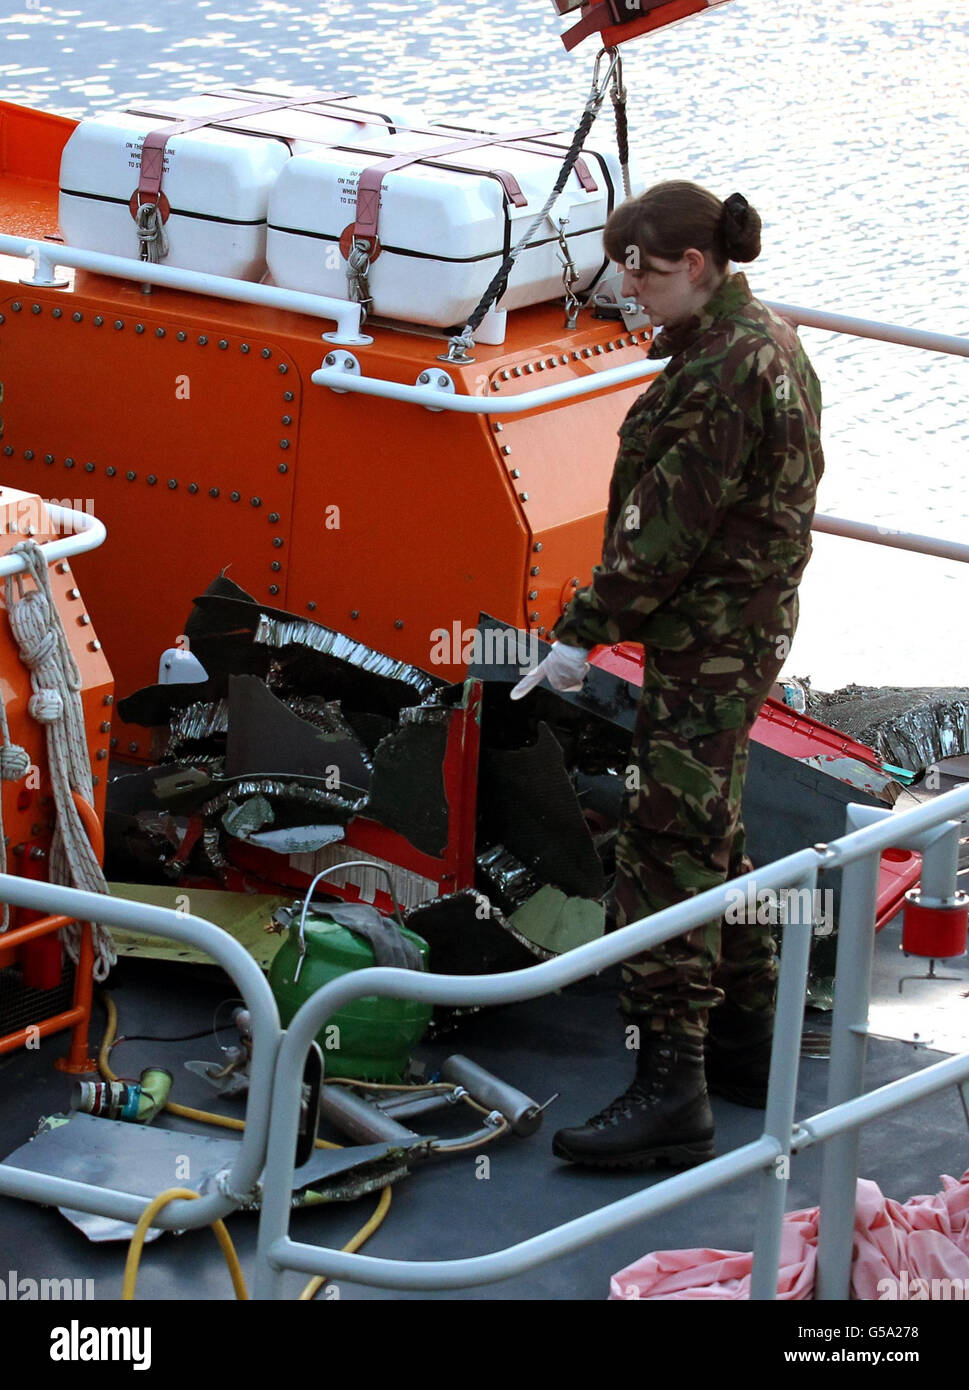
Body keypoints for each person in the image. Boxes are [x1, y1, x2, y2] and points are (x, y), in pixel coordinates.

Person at [510, 181, 825, 1169]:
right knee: (707, 824)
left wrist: (579, 633)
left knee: (664, 847)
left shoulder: (728, 371)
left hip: (709, 639)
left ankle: (669, 1086)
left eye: (641, 270)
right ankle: (746, 1036)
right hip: (737, 629)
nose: (630, 289)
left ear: (695, 265)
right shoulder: (754, 342)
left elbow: (663, 536)